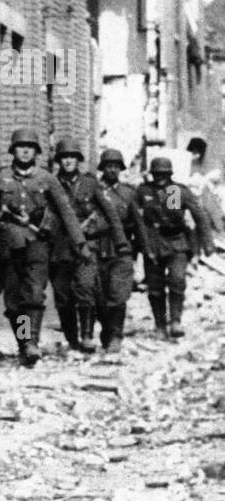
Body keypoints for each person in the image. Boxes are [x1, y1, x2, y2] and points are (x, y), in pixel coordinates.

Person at [0, 128, 86, 366]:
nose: (25, 150)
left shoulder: (46, 179)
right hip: (8, 246)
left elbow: (66, 212)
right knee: (12, 302)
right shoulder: (1, 179)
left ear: (36, 152)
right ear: (13, 150)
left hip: (37, 244)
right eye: (21, 147)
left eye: (30, 147)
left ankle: (31, 343)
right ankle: (23, 343)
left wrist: (79, 243)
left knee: (33, 294)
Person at [49, 139, 128, 353]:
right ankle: (71, 338)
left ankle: (87, 336)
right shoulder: (51, 183)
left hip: (88, 248)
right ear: (58, 161)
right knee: (63, 298)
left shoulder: (90, 184)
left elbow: (110, 215)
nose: (68, 162)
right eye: (64, 158)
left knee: (86, 289)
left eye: (72, 158)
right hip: (61, 248)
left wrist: (122, 243)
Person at [135, 156, 214, 338]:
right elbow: (133, 215)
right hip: (153, 243)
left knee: (177, 280)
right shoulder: (144, 191)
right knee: (155, 287)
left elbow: (200, 215)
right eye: (156, 174)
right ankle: (160, 325)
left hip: (177, 241)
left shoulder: (177, 191)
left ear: (170, 174)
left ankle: (176, 321)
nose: (160, 178)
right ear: (151, 175)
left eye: (164, 174)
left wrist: (207, 244)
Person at [95, 149, 149, 353]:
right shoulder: (94, 190)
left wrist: (146, 251)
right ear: (102, 168)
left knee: (119, 294)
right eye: (108, 166)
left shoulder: (128, 193)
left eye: (116, 167)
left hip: (122, 248)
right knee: (99, 296)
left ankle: (116, 334)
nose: (112, 170)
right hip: (97, 247)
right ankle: (107, 330)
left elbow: (138, 224)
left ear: (120, 169)